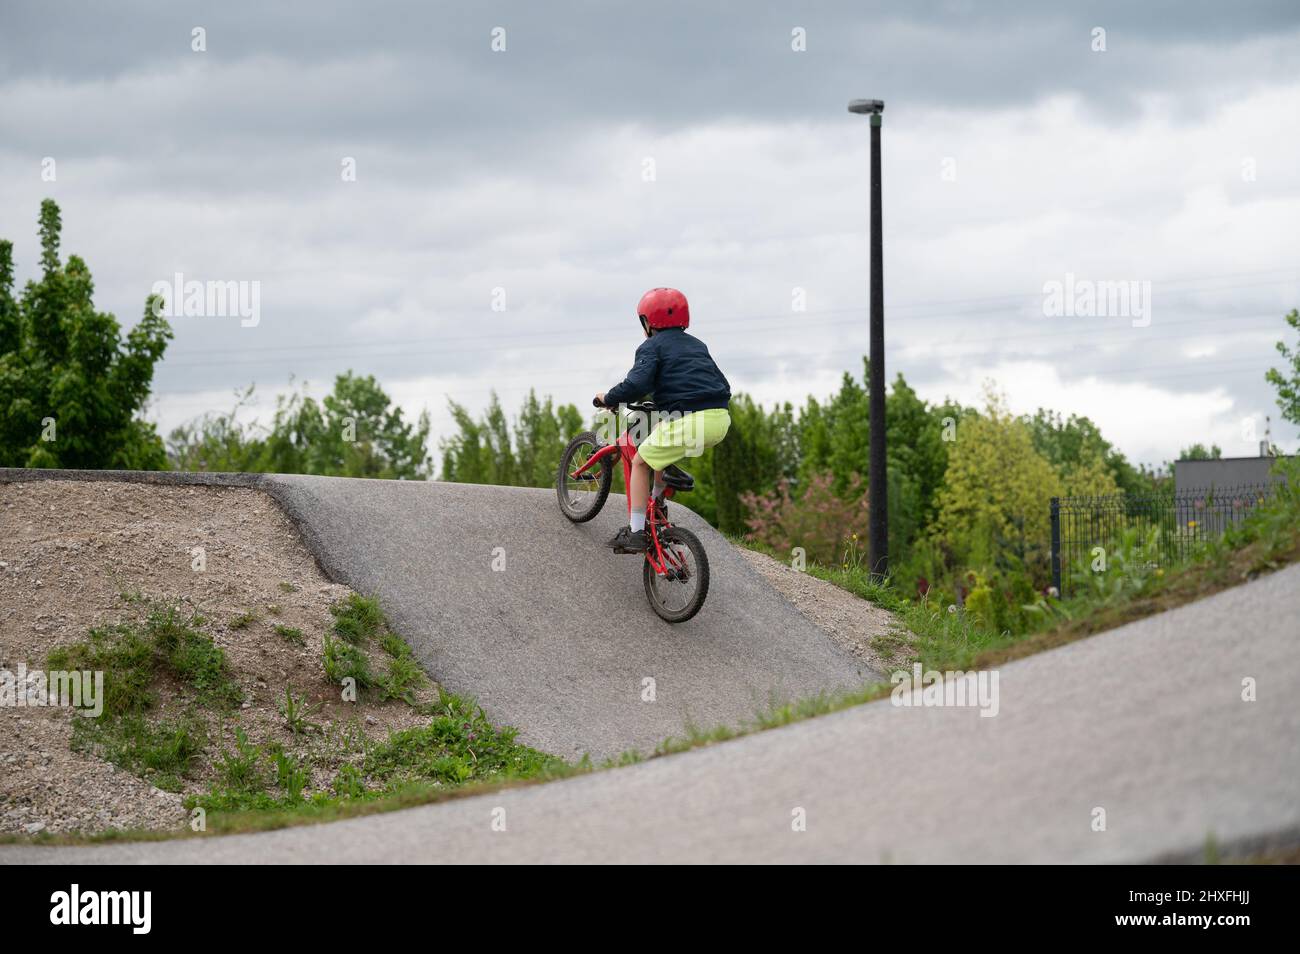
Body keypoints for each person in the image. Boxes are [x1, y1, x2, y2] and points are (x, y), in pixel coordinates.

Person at [595, 287, 732, 552]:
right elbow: (712, 381)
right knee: (659, 428)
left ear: (648, 321)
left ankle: (635, 531)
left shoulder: (651, 346)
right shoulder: (697, 345)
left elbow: (636, 383)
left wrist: (609, 397)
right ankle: (657, 501)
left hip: (691, 421)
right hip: (720, 419)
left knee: (640, 462)